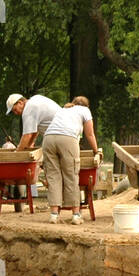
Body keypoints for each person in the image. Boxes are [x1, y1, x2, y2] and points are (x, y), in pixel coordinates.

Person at [42, 96, 100, 225]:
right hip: (67, 139)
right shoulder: (85, 110)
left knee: (53, 177)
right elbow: (89, 134)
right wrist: (96, 151)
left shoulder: (63, 109)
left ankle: (54, 214)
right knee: (71, 175)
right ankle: (75, 215)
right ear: (86, 105)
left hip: (48, 139)